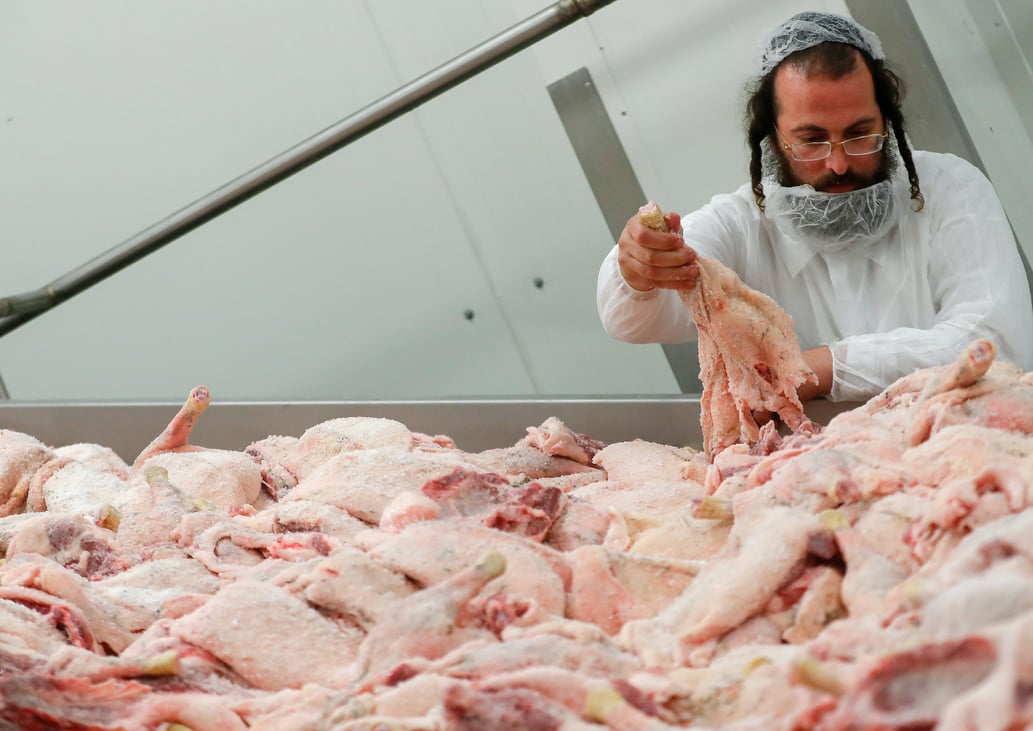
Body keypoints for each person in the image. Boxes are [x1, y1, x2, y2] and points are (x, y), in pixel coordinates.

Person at [596, 10, 1033, 403]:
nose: (838, 163)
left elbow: (995, 344)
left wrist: (821, 368)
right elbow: (634, 321)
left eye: (859, 134)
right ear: (773, 138)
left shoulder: (949, 190)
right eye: (811, 140)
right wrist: (638, 267)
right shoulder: (742, 225)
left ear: (887, 122)